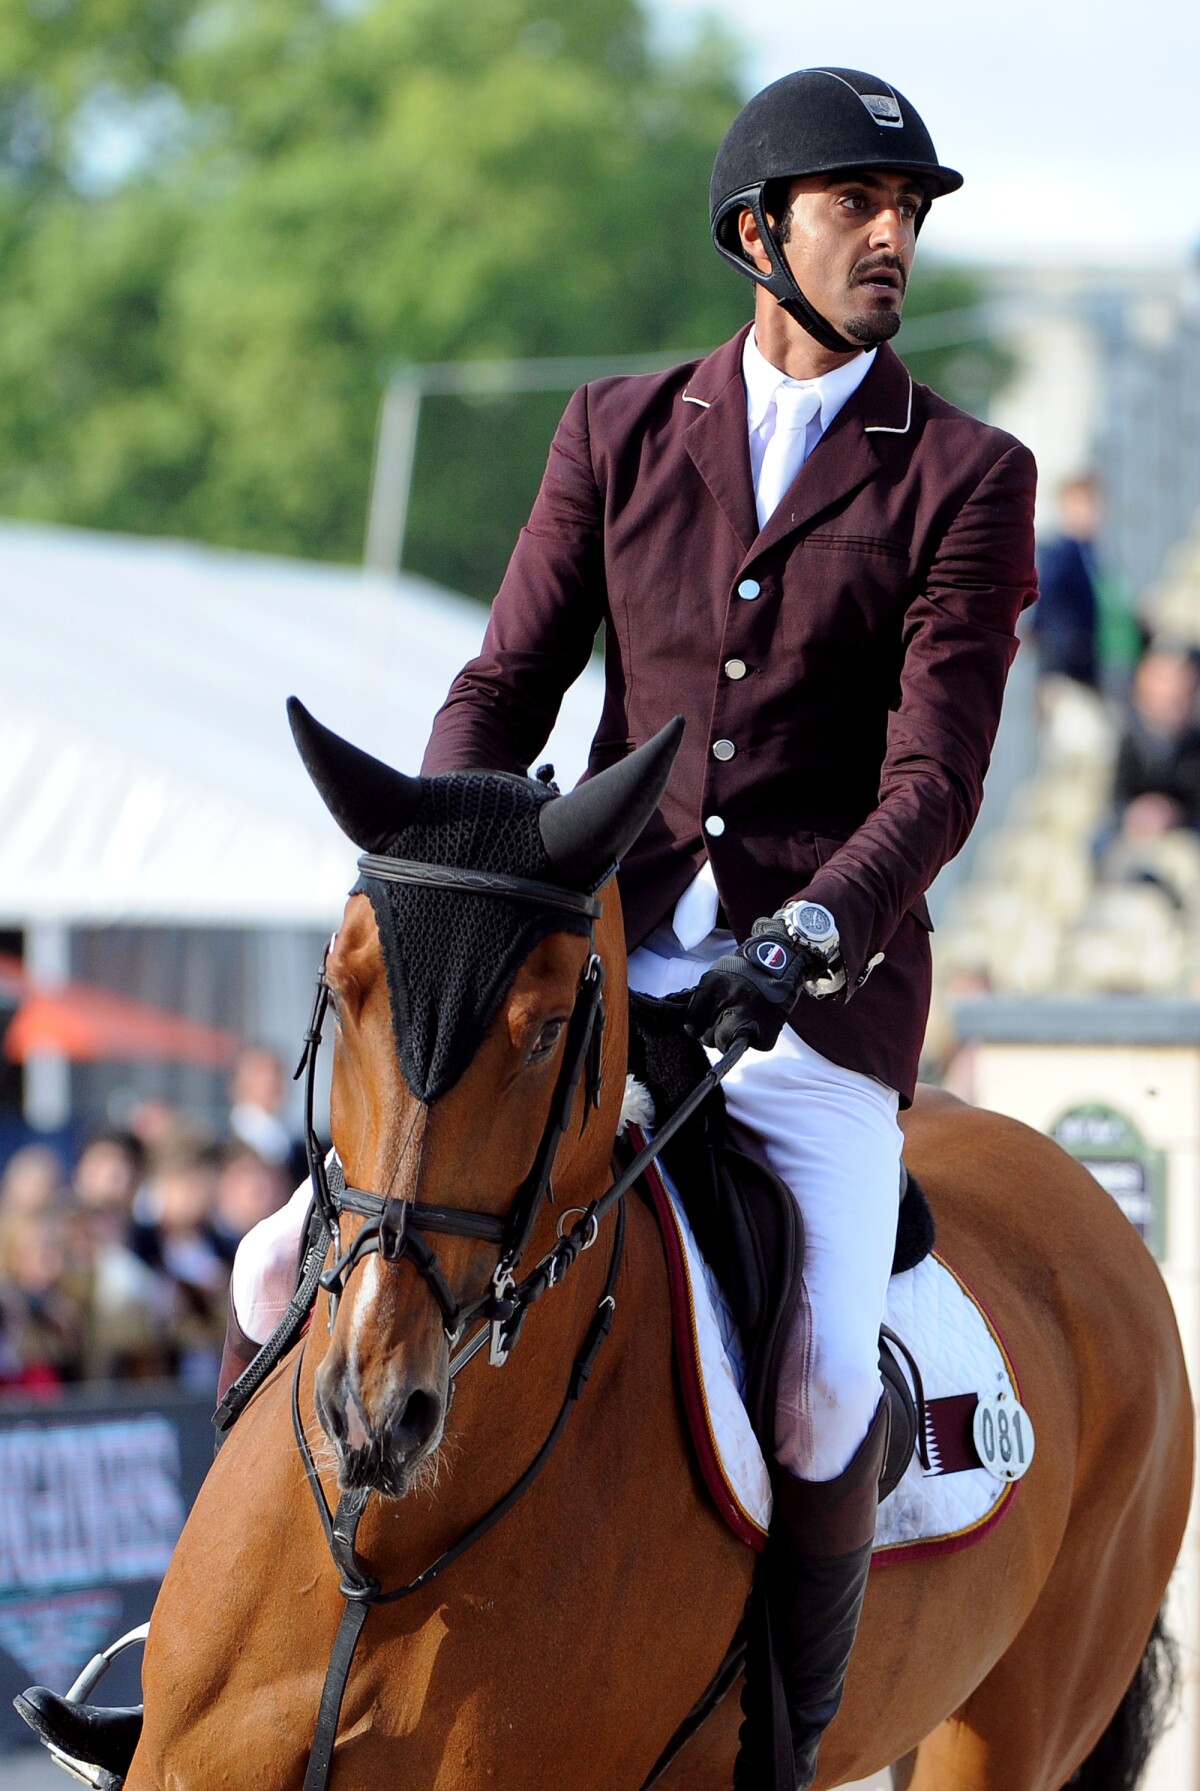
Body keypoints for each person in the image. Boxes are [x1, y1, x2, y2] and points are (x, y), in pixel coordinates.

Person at [21, 66, 1037, 1786]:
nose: (892, 236)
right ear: (755, 235)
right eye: (857, 204)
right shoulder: (616, 431)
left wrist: (811, 936)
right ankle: (195, 1667)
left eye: (910, 210)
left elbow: (933, 777)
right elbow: (503, 682)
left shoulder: (961, 472)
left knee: (811, 1388)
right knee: (285, 1264)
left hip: (805, 1019)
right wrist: (444, 886)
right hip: (571, 977)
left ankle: (778, 1738)